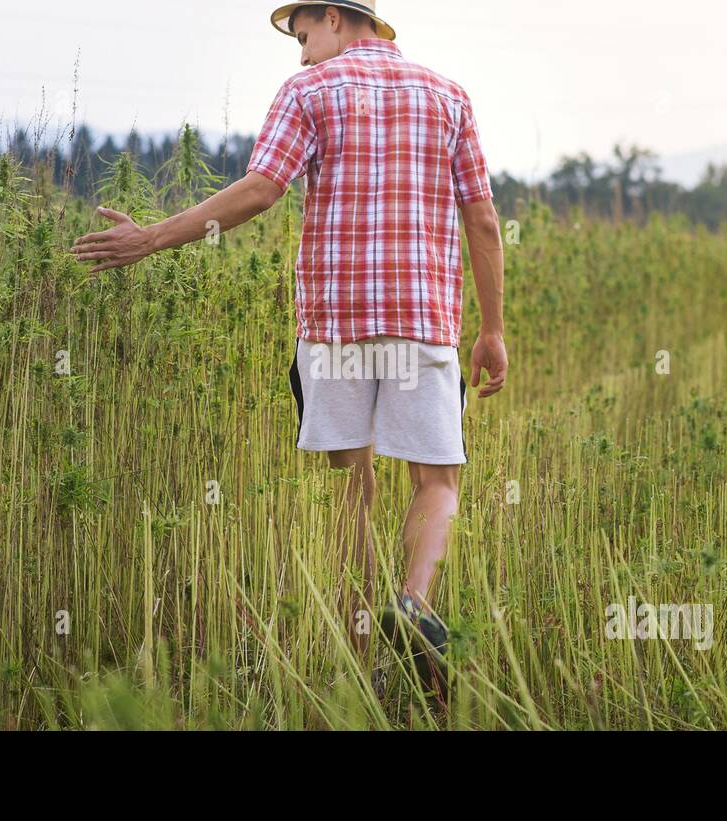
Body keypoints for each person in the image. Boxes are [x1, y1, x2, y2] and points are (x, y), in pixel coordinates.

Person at [70, 0, 508, 695]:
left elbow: (259, 191)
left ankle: (363, 652)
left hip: (331, 325)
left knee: (349, 487)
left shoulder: (306, 92)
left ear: (335, 19)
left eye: (303, 37)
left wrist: (150, 238)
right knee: (437, 482)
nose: (301, 54)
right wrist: (491, 328)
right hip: (421, 319)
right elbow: (482, 218)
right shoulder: (449, 96)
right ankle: (414, 603)